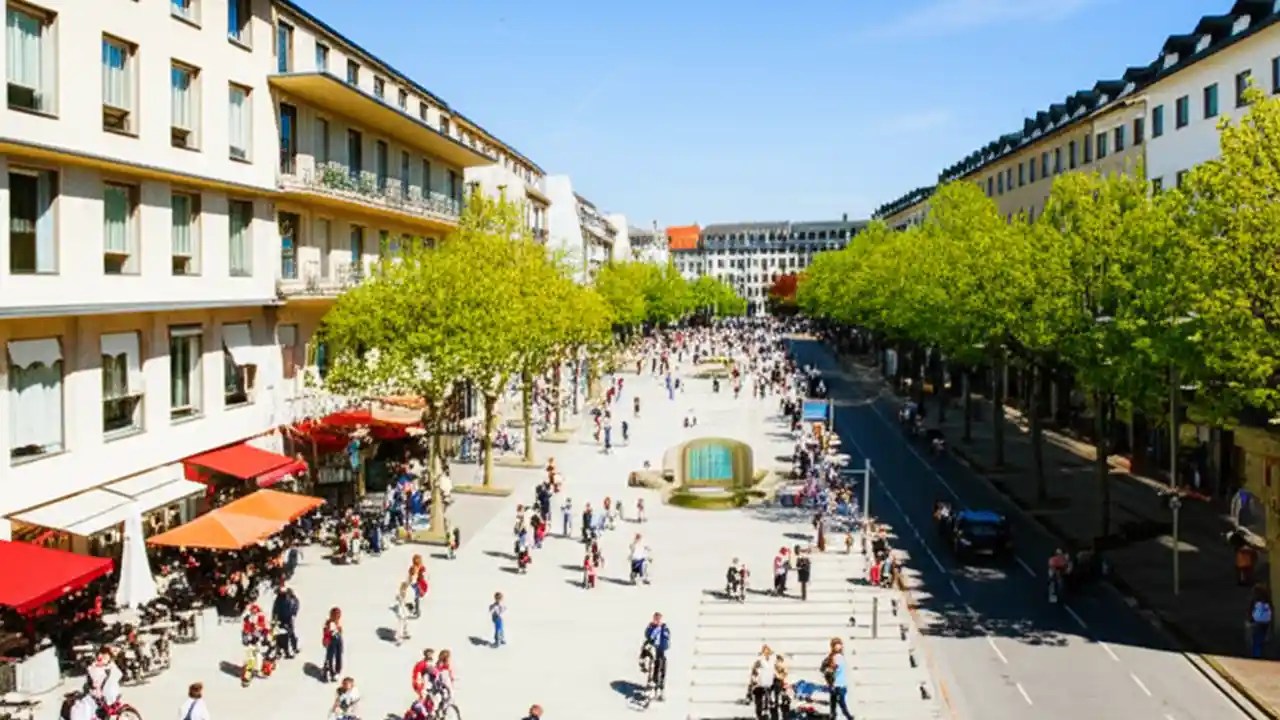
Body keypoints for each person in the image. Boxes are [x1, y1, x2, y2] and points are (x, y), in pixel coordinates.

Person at [69, 646, 120, 720]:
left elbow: (97, 684)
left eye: (104, 655)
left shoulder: (107, 668)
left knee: (80, 708)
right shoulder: (97, 667)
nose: (101, 656)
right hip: (96, 695)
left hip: (101, 697)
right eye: (100, 654)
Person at [822, 638, 853, 720]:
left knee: (839, 705)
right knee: (835, 706)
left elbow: (833, 669)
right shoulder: (832, 657)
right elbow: (828, 669)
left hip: (840, 685)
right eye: (835, 645)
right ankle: (848, 717)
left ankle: (849, 717)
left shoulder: (839, 657)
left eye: (839, 644)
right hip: (836, 685)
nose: (838, 647)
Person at [643, 612, 671, 701]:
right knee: (651, 663)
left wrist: (662, 644)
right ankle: (651, 683)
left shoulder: (664, 628)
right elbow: (647, 635)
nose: (657, 621)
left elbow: (666, 640)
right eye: (655, 619)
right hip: (652, 649)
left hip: (660, 650)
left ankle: (660, 687)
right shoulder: (651, 627)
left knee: (661, 664)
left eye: (658, 619)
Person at [322, 607, 343, 683]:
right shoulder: (328, 623)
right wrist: (326, 640)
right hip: (331, 641)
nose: (337, 617)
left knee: (338, 656)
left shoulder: (338, 623)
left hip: (338, 641)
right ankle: (330, 671)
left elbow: (340, 631)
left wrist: (339, 631)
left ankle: (337, 671)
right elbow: (326, 633)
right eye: (334, 615)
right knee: (330, 657)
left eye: (338, 616)